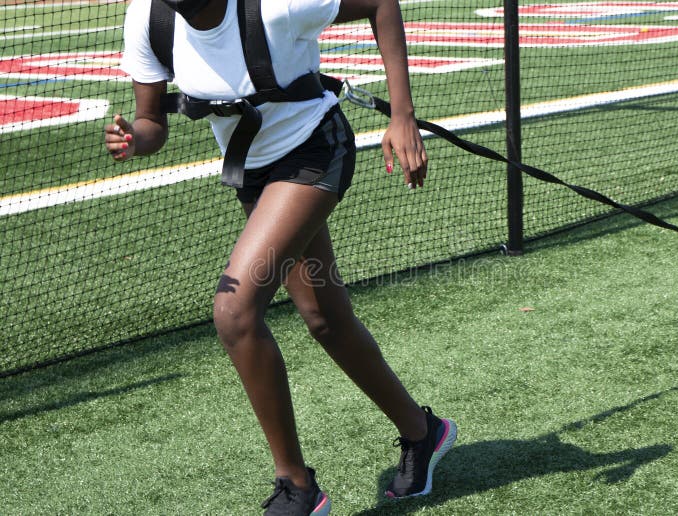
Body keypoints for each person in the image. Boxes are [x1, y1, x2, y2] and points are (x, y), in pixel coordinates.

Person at [104, 0, 457, 514]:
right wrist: (135, 139)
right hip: (256, 175)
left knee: (235, 311)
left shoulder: (277, 4)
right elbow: (150, 119)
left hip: (315, 153)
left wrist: (402, 117)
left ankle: (298, 487)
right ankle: (423, 432)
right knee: (325, 319)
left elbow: (380, 2)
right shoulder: (149, 17)